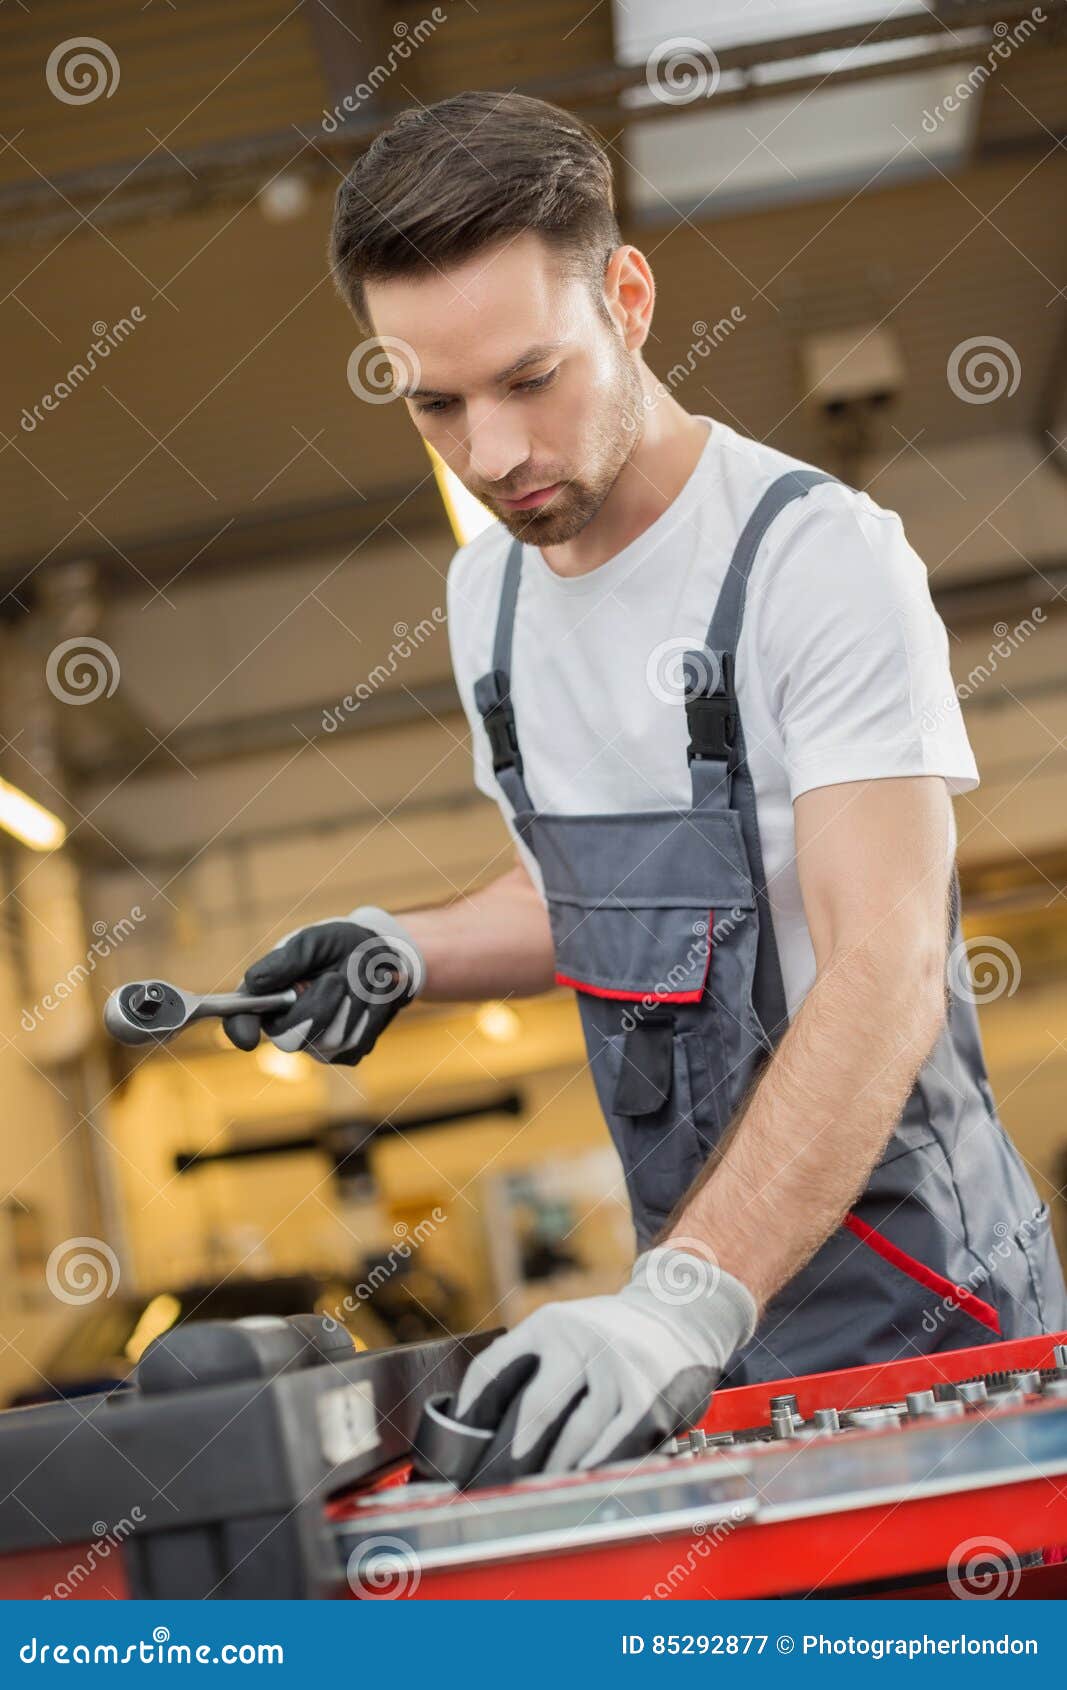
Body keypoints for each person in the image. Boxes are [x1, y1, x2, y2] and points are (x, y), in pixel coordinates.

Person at [225, 91, 1066, 1484]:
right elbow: (600, 901)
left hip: (934, 1321)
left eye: (529, 377)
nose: (492, 453)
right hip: (708, 1325)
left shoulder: (816, 562)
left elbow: (887, 964)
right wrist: (406, 946)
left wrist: (680, 1294)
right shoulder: (485, 590)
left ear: (629, 295)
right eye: (436, 402)